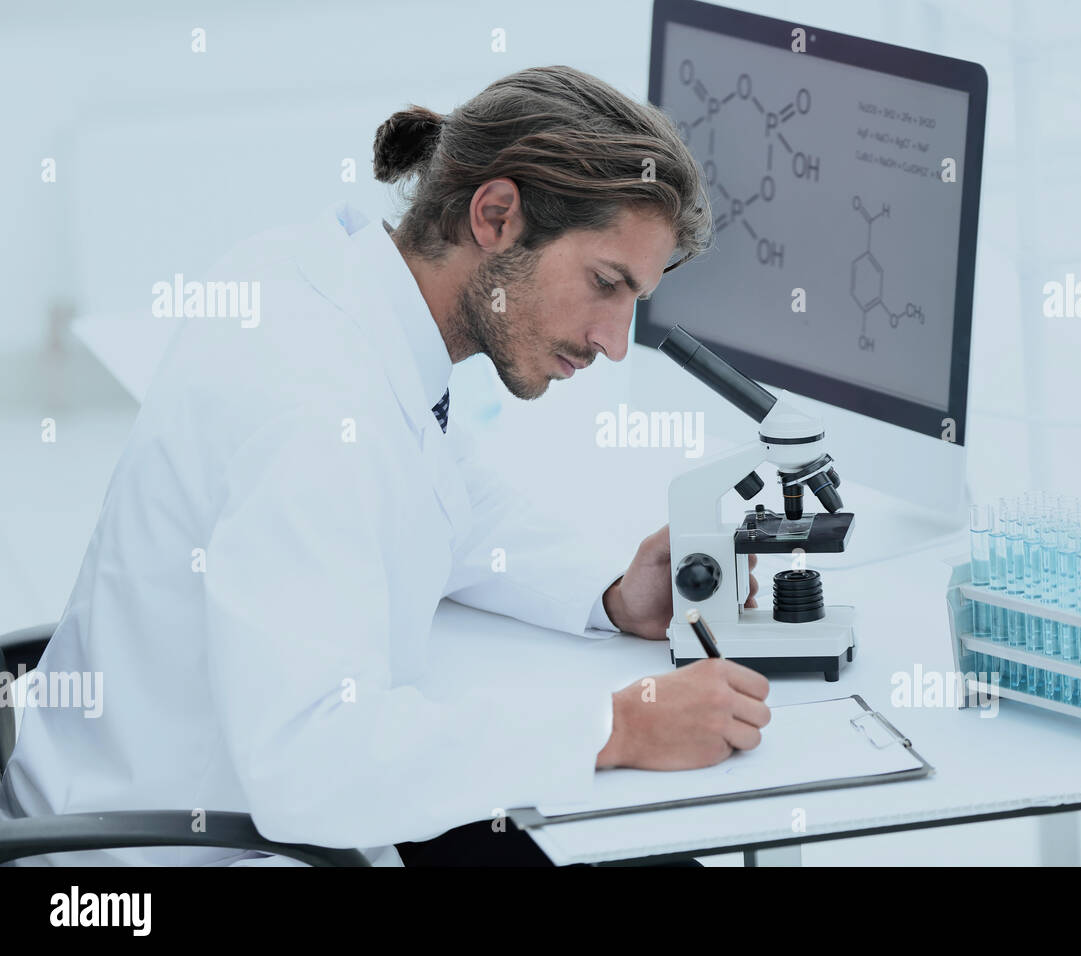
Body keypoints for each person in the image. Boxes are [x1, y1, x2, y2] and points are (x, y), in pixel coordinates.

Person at [1, 65, 771, 866]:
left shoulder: (318, 278)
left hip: (120, 795)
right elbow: (311, 766)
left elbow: (437, 482)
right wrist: (616, 727)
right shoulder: (319, 415)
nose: (615, 341)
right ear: (496, 215)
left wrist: (610, 593)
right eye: (606, 284)